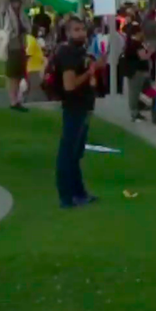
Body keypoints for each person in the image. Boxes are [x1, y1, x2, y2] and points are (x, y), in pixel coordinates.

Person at [55, 17, 104, 209]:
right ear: (68, 33)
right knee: (67, 153)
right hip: (74, 107)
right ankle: (66, 197)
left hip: (83, 107)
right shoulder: (67, 53)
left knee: (75, 153)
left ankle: (78, 193)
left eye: (83, 29)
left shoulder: (80, 52)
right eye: (76, 30)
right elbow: (70, 85)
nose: (81, 33)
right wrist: (91, 71)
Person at [0, 0, 31, 112]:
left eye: (18, 1)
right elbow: (4, 0)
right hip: (12, 46)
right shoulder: (6, 13)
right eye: (13, 1)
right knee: (13, 76)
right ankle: (13, 101)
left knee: (19, 75)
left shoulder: (22, 15)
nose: (16, 4)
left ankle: (17, 100)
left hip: (21, 46)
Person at [123, 25, 152, 122]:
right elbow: (143, 57)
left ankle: (136, 111)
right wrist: (150, 52)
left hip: (133, 70)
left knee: (134, 91)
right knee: (134, 92)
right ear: (137, 33)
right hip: (137, 71)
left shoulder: (130, 43)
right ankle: (134, 113)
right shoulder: (136, 44)